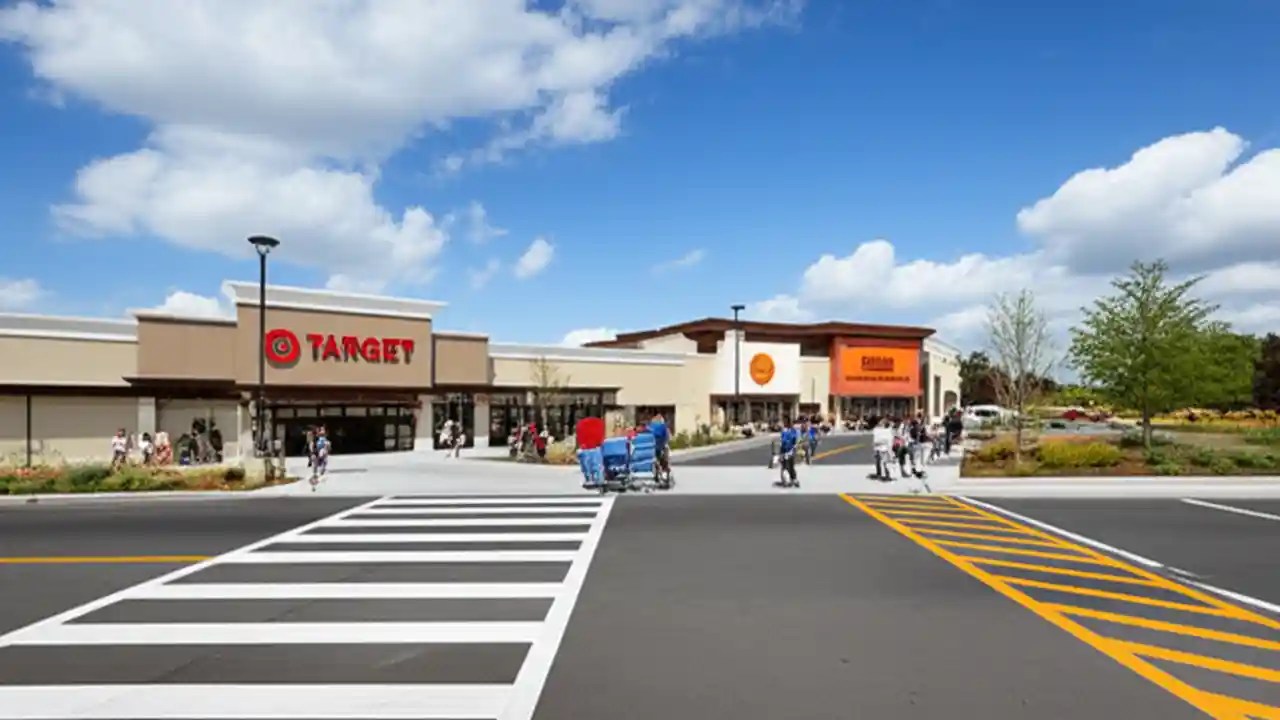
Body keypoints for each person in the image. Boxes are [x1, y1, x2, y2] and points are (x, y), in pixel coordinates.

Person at [647, 412, 670, 479]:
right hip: (660, 447)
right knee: (664, 457)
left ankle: (658, 469)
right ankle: (664, 471)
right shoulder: (663, 426)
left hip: (650, 448)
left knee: (658, 457)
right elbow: (667, 438)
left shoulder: (650, 426)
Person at [777, 418, 799, 487]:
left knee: (785, 466)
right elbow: (795, 442)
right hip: (789, 451)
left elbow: (783, 443)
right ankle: (792, 479)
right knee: (790, 466)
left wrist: (781, 453)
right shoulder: (792, 431)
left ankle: (788, 480)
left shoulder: (786, 431)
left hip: (786, 451)